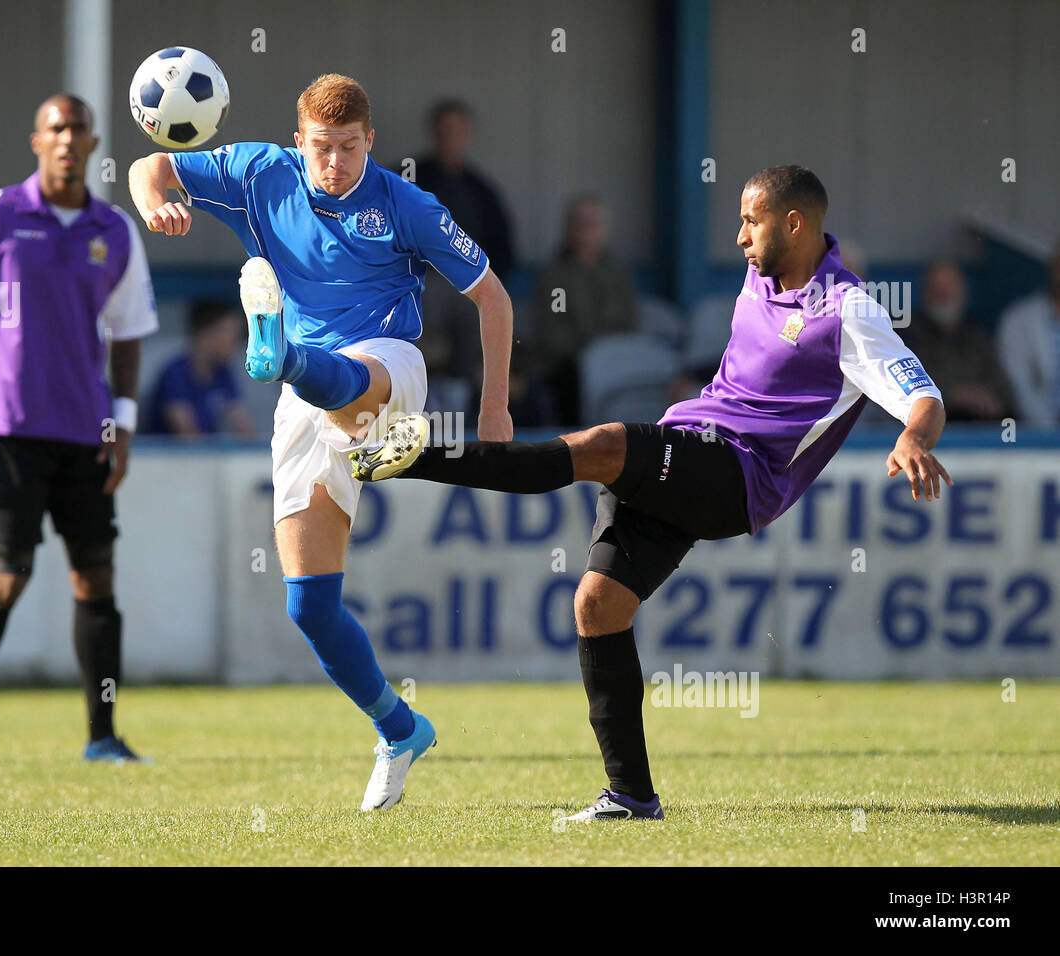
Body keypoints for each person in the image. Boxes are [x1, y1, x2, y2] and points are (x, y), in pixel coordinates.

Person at [353, 165, 952, 821]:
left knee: (603, 446)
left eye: (750, 221)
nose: (739, 236)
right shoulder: (763, 273)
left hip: (738, 475)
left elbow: (922, 395)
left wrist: (914, 439)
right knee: (598, 606)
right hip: (691, 445)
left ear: (795, 223)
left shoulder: (849, 309)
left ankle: (416, 454)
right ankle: (631, 797)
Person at [129, 73, 513, 811]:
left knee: (343, 376)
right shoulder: (259, 171)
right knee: (308, 605)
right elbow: (154, 165)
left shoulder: (407, 205)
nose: (334, 162)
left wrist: (494, 410)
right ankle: (400, 731)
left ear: (371, 142)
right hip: (305, 403)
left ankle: (287, 358)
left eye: (348, 147)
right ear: (296, 139)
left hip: (387, 368)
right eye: (321, 148)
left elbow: (491, 297)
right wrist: (155, 205)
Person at [0, 94, 158, 766]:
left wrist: (124, 425)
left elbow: (130, 332)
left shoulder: (115, 229)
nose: (68, 140)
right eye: (57, 129)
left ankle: (102, 736)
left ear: (94, 141)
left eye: (79, 129)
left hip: (87, 430)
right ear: (37, 139)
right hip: (11, 427)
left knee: (96, 579)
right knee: (6, 578)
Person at [413, 100, 516, 411]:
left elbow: (504, 247)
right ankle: (421, 396)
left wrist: (485, 282)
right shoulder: (411, 179)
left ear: (467, 135)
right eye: (444, 130)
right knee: (428, 304)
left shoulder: (480, 190)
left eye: (457, 130)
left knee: (482, 302)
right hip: (421, 281)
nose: (451, 137)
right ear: (433, 133)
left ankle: (459, 395)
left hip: (468, 284)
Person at [531, 194, 640, 424]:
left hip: (617, 361)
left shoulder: (617, 274)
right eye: (580, 223)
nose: (586, 230)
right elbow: (553, 333)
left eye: (593, 224)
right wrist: (591, 353)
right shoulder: (555, 278)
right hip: (569, 368)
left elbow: (631, 321)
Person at [900, 262, 1013, 422]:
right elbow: (909, 387)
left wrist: (983, 395)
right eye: (936, 288)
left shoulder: (977, 335)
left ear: (964, 292)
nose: (944, 294)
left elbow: (1004, 387)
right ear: (924, 293)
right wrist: (954, 395)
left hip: (984, 424)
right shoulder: (908, 335)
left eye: (950, 287)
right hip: (932, 426)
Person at [143, 300, 256, 437]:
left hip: (205, 455)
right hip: (164, 456)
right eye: (229, 333)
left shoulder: (223, 372)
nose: (235, 342)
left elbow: (244, 426)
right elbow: (187, 433)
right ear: (205, 335)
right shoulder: (175, 374)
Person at [996, 243, 1060, 426]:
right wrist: (1049, 434)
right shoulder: (1019, 319)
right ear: (1053, 270)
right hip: (1037, 436)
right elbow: (1019, 386)